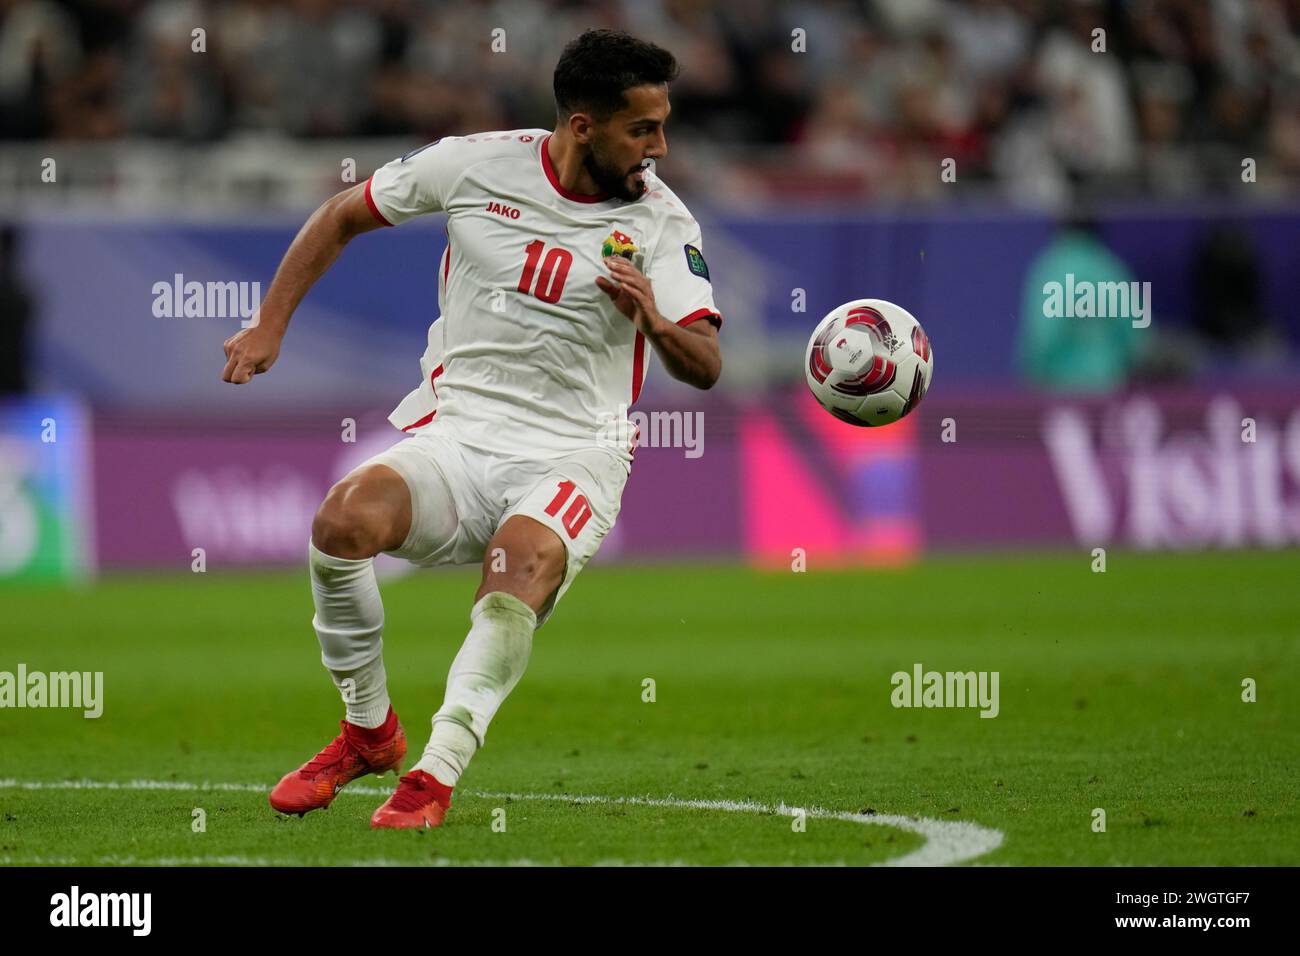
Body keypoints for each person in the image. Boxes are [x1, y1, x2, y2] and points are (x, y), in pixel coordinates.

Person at [220, 30, 722, 829]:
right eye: (642, 129)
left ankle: (433, 777)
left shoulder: (662, 222)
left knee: (517, 567)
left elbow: (705, 363)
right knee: (341, 523)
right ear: (583, 125)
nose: (658, 149)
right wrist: (267, 326)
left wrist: (653, 318)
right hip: (458, 436)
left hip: (575, 450)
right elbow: (341, 215)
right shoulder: (472, 163)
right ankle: (367, 732)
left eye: (662, 126)